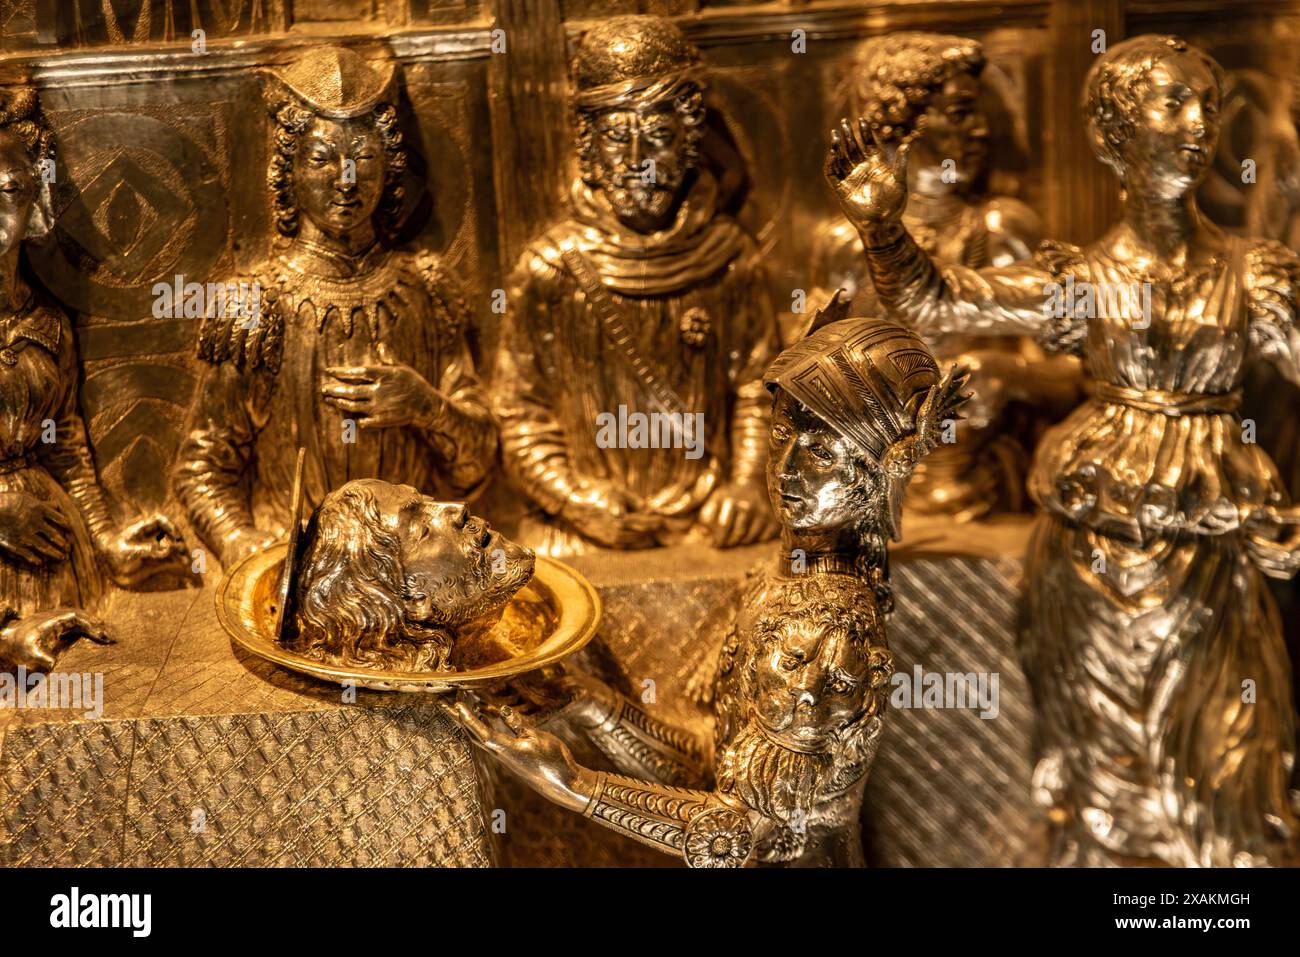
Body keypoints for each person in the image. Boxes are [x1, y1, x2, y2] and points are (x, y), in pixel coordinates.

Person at [825, 33, 1300, 866]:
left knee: (1233, 757)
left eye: (1208, 106)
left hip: (1210, 562)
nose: (1197, 125)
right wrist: (880, 223)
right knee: (1104, 764)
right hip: (1091, 556)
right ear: (1115, 136)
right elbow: (937, 306)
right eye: (1172, 103)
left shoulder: (1254, 273)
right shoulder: (1079, 281)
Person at [174, 45, 495, 571]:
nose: (346, 180)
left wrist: (426, 406)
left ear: (388, 167)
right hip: (298, 574)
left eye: (363, 159)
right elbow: (203, 465)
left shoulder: (427, 289)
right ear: (289, 167)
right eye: (322, 159)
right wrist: (244, 547)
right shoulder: (254, 305)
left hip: (420, 576)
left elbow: (476, 464)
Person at [492, 15, 779, 556]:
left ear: (690, 144)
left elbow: (757, 390)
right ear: (589, 152)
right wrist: (572, 497)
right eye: (617, 139)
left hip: (711, 525)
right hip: (583, 531)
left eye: (659, 138)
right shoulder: (549, 269)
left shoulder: (728, 257)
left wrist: (746, 487)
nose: (636, 163)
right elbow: (520, 410)